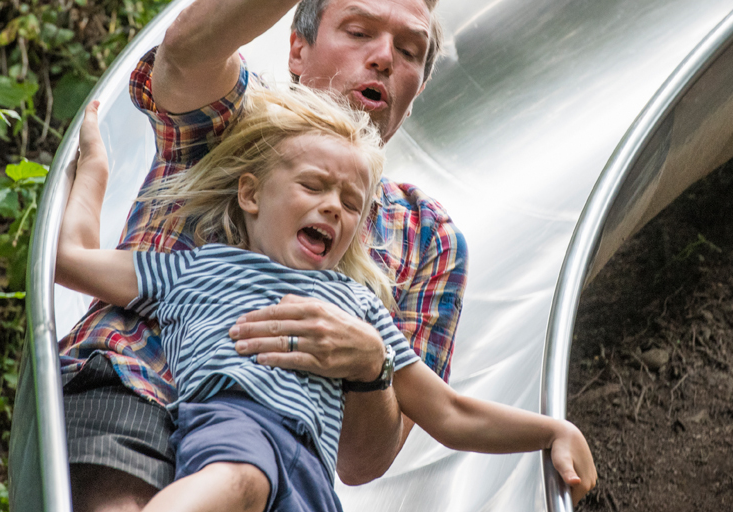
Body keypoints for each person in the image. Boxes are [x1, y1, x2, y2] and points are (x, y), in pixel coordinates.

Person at [60, 93, 595, 512]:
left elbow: (448, 412)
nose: (332, 208)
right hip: (236, 424)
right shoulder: (193, 270)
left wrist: (552, 430)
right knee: (238, 482)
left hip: (313, 476)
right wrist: (95, 171)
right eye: (313, 186)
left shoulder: (358, 308)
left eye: (351, 203)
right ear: (251, 194)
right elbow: (72, 258)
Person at [59, 0, 471, 510]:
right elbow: (188, 51)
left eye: (409, 50)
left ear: (417, 90)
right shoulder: (237, 125)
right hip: (139, 386)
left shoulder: (426, 236)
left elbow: (363, 461)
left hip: (278, 450)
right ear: (297, 49)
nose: (385, 57)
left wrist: (372, 365)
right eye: (359, 31)